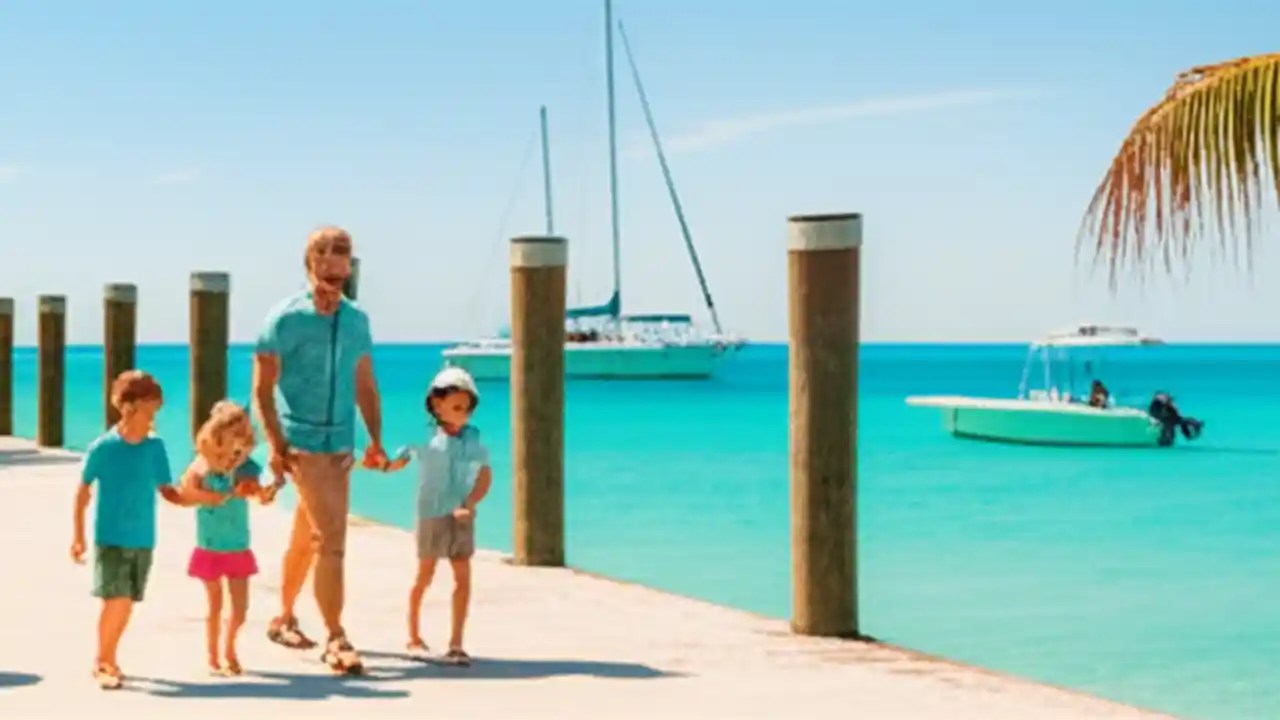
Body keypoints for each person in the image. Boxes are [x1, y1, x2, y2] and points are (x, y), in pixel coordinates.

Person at [253, 225, 388, 675]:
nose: (333, 271)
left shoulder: (356, 321)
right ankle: (336, 636)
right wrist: (275, 445)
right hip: (303, 445)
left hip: (341, 442)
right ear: (309, 263)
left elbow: (365, 383)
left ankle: (283, 616)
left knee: (309, 534)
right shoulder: (284, 319)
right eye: (325, 261)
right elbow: (262, 389)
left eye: (341, 261)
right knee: (332, 539)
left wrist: (375, 440)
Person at [71, 370, 183, 690]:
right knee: (115, 599)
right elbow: (82, 491)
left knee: (126, 601)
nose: (155, 415)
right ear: (130, 406)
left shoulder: (155, 448)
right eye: (151, 407)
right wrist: (78, 536)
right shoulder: (103, 448)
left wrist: (205, 495)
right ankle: (103, 661)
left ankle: (110, 657)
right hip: (111, 537)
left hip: (143, 538)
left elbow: (168, 491)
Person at [382, 367, 492, 666]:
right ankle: (413, 635)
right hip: (431, 513)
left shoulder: (474, 439)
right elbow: (396, 462)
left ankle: (456, 642)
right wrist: (375, 461)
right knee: (425, 576)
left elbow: (484, 475)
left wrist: (470, 502)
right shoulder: (422, 436)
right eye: (457, 407)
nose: (463, 414)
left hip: (461, 515)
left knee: (463, 578)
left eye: (468, 409)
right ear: (436, 404)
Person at [178, 400, 276, 676]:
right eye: (228, 448)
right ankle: (213, 655)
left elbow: (256, 492)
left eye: (241, 447)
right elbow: (185, 490)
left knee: (241, 608)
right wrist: (213, 497)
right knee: (215, 604)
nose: (234, 456)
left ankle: (229, 647)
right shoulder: (203, 464)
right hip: (209, 545)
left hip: (237, 546)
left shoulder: (247, 467)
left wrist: (264, 493)